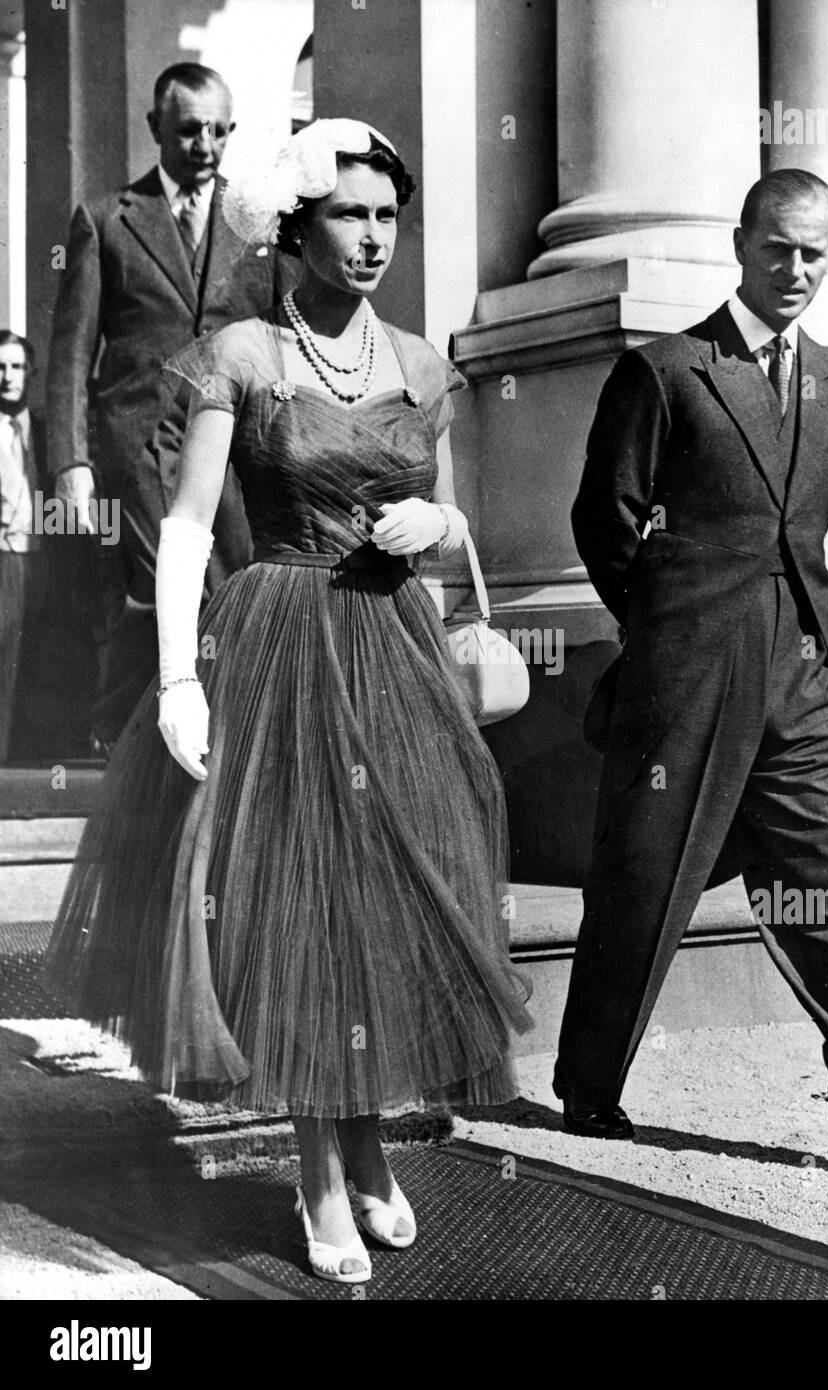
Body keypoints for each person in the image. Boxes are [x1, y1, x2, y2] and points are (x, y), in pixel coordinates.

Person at [46, 117, 531, 1285]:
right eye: (349, 215)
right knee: (301, 899)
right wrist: (173, 679)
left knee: (384, 902)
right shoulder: (241, 356)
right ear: (295, 230)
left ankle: (368, 1143)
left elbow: (454, 516)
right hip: (282, 637)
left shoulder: (421, 363)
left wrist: (443, 524)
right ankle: (318, 1162)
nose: (372, 238)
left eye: (386, 216)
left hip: (398, 650)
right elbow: (182, 525)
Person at [554, 169, 828, 1185]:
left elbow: (798, 529)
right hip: (687, 671)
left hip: (804, 672)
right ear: (739, 243)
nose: (795, 269)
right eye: (777, 246)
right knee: (645, 881)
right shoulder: (668, 371)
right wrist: (671, 626)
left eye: (815, 251)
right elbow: (603, 521)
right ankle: (590, 1079)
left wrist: (805, 644)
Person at [45, 62, 296, 747]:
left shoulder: (257, 228)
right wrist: (71, 463)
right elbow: (71, 355)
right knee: (174, 587)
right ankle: (173, 734)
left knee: (238, 583)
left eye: (220, 131)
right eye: (189, 130)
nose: (205, 146)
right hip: (142, 447)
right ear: (156, 127)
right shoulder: (106, 221)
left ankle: (211, 736)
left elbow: (281, 338)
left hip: (235, 450)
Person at [0, 331, 47, 759]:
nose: (7, 376)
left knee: (43, 657)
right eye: (0, 367)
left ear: (30, 372)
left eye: (16, 367)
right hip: (3, 562)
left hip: (48, 560)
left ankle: (33, 760)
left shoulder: (49, 431)